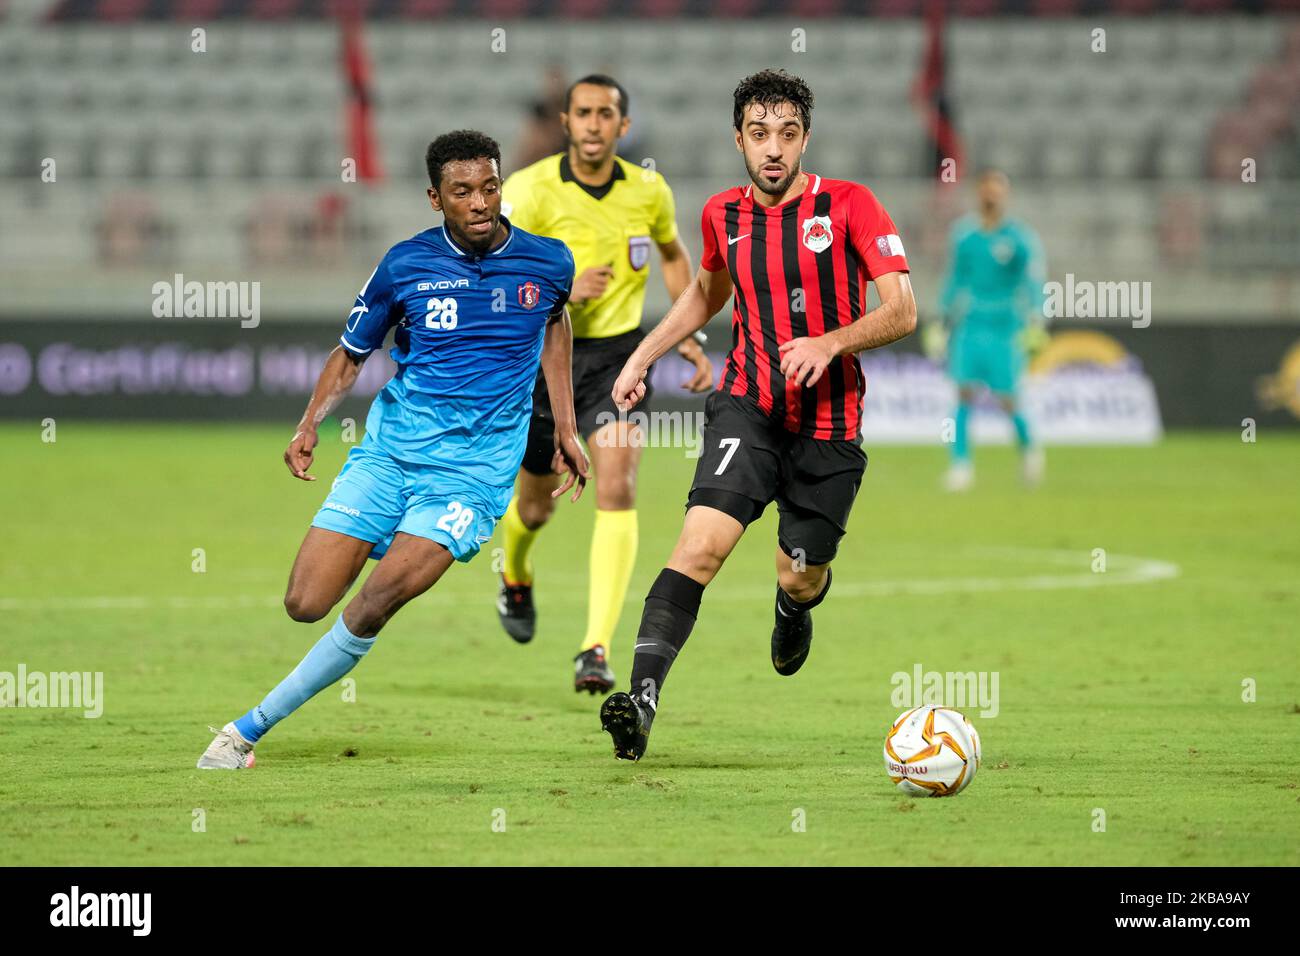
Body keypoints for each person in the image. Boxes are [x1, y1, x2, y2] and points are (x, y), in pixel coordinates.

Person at [196, 130, 588, 769]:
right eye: (463, 191)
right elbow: (351, 355)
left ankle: (246, 731)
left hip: (472, 478)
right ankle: (376, 535)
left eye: (490, 187)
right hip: (389, 457)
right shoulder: (405, 265)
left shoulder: (548, 263)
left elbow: (555, 324)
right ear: (436, 198)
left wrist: (565, 427)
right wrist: (307, 424)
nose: (481, 202)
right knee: (305, 602)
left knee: (375, 600)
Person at [596, 70, 917, 761]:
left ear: (806, 138)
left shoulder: (852, 205)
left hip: (828, 423)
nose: (773, 149)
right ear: (738, 139)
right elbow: (705, 297)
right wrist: (643, 355)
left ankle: (793, 607)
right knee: (699, 546)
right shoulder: (722, 215)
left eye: (788, 134)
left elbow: (903, 308)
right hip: (749, 408)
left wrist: (831, 342)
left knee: (799, 571)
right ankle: (641, 701)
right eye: (759, 134)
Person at [495, 73, 713, 694]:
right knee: (534, 508)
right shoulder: (529, 192)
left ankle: (594, 647)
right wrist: (561, 288)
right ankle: (514, 570)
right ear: (566, 123)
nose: (594, 124)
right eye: (583, 113)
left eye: (606, 114)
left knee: (617, 482)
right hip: (541, 358)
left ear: (624, 126)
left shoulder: (649, 190)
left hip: (618, 356)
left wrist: (686, 334)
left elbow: (673, 256)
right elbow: (494, 278)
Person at [935, 168, 1047, 491]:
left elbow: (1034, 279)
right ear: (978, 192)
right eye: (987, 189)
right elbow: (954, 278)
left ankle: (1030, 451)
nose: (991, 195)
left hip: (1006, 327)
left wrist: (1037, 317)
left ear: (1005, 194)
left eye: (997, 190)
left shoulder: (1019, 238)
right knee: (962, 394)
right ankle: (961, 465)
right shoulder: (964, 236)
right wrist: (942, 318)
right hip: (970, 324)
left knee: (1009, 398)